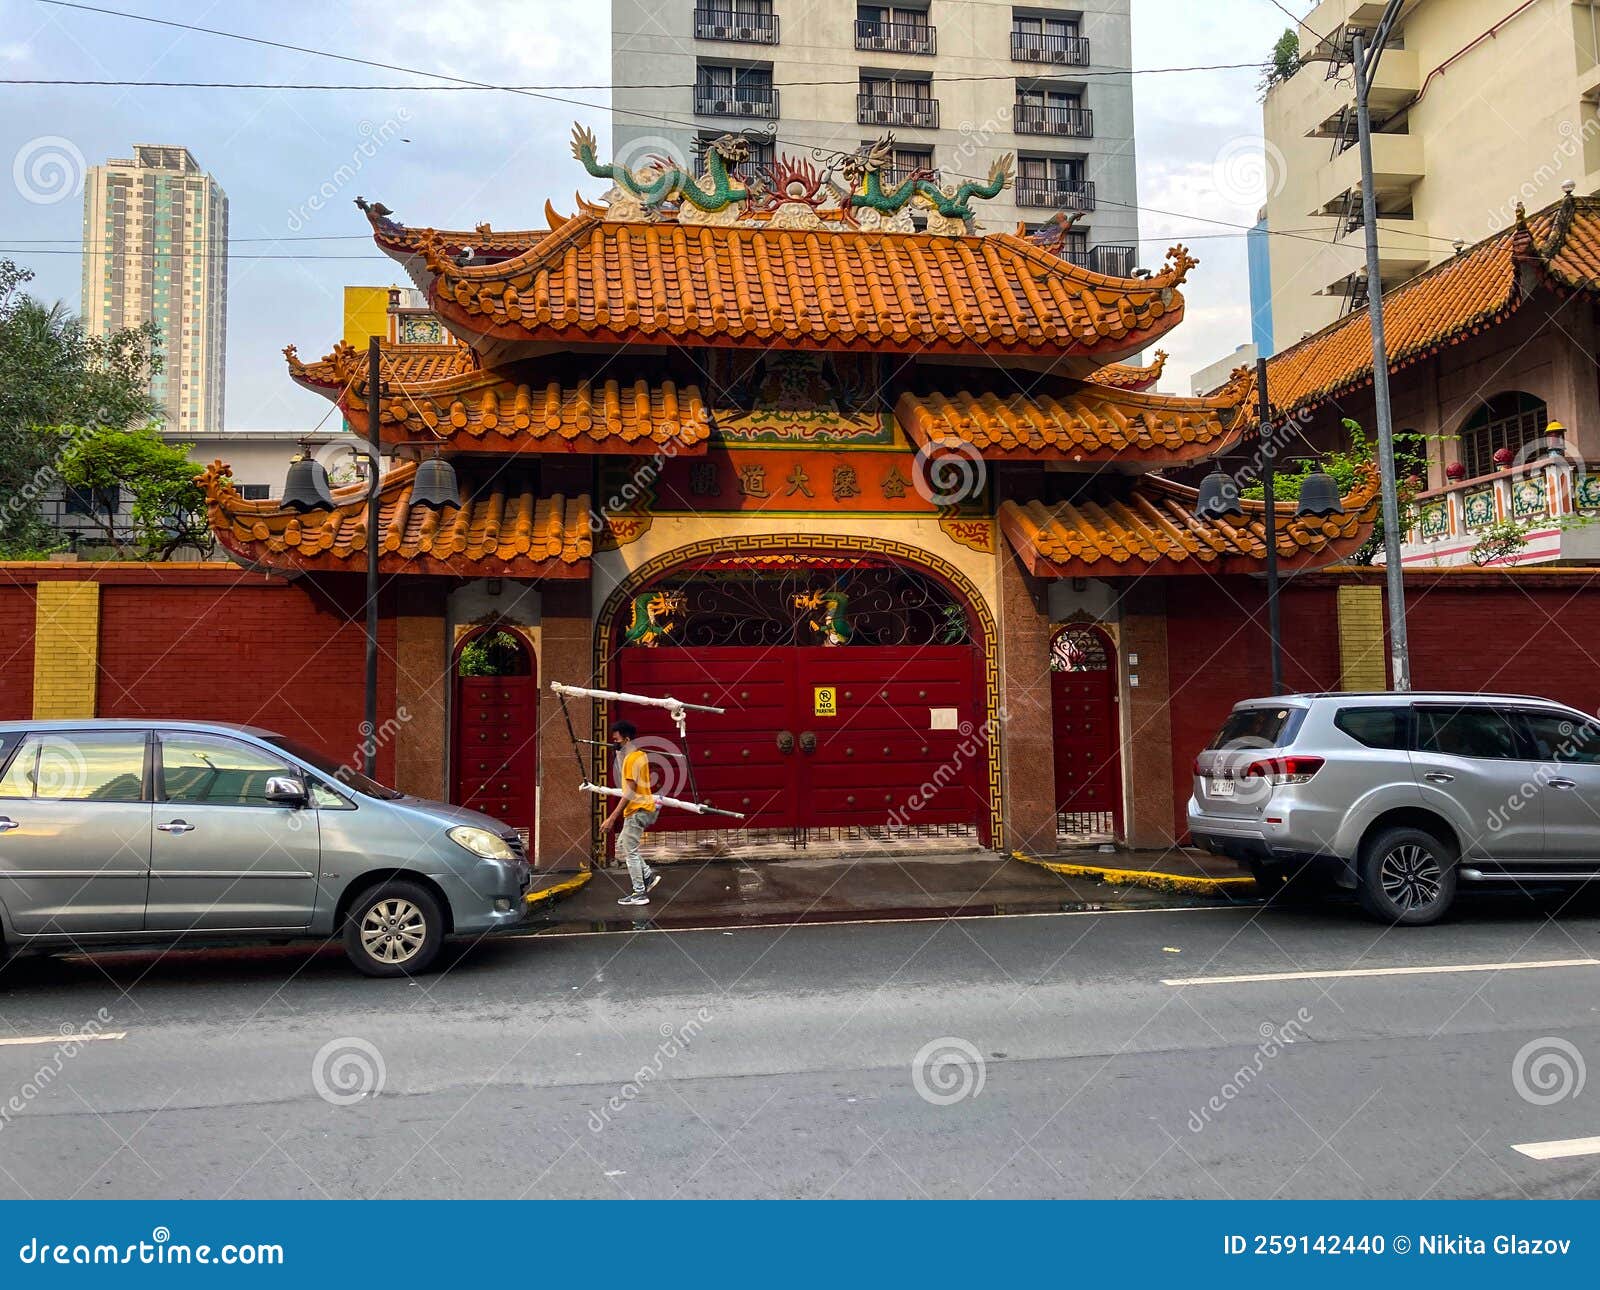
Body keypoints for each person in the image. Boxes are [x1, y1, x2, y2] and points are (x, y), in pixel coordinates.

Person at [604, 720, 662, 906]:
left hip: (636, 810)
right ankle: (648, 876)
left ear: (626, 738)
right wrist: (619, 751)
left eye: (617, 740)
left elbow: (629, 791)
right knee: (623, 844)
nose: (615, 743)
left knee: (630, 852)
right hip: (644, 808)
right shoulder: (640, 755)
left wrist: (612, 818)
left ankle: (640, 893)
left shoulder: (631, 759)